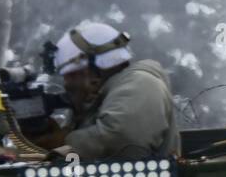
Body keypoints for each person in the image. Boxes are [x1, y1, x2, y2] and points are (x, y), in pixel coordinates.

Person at [48, 21, 179, 161]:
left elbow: (120, 139)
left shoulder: (142, 83)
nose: (67, 84)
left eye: (72, 75)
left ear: (94, 72)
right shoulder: (102, 100)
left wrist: (62, 143)